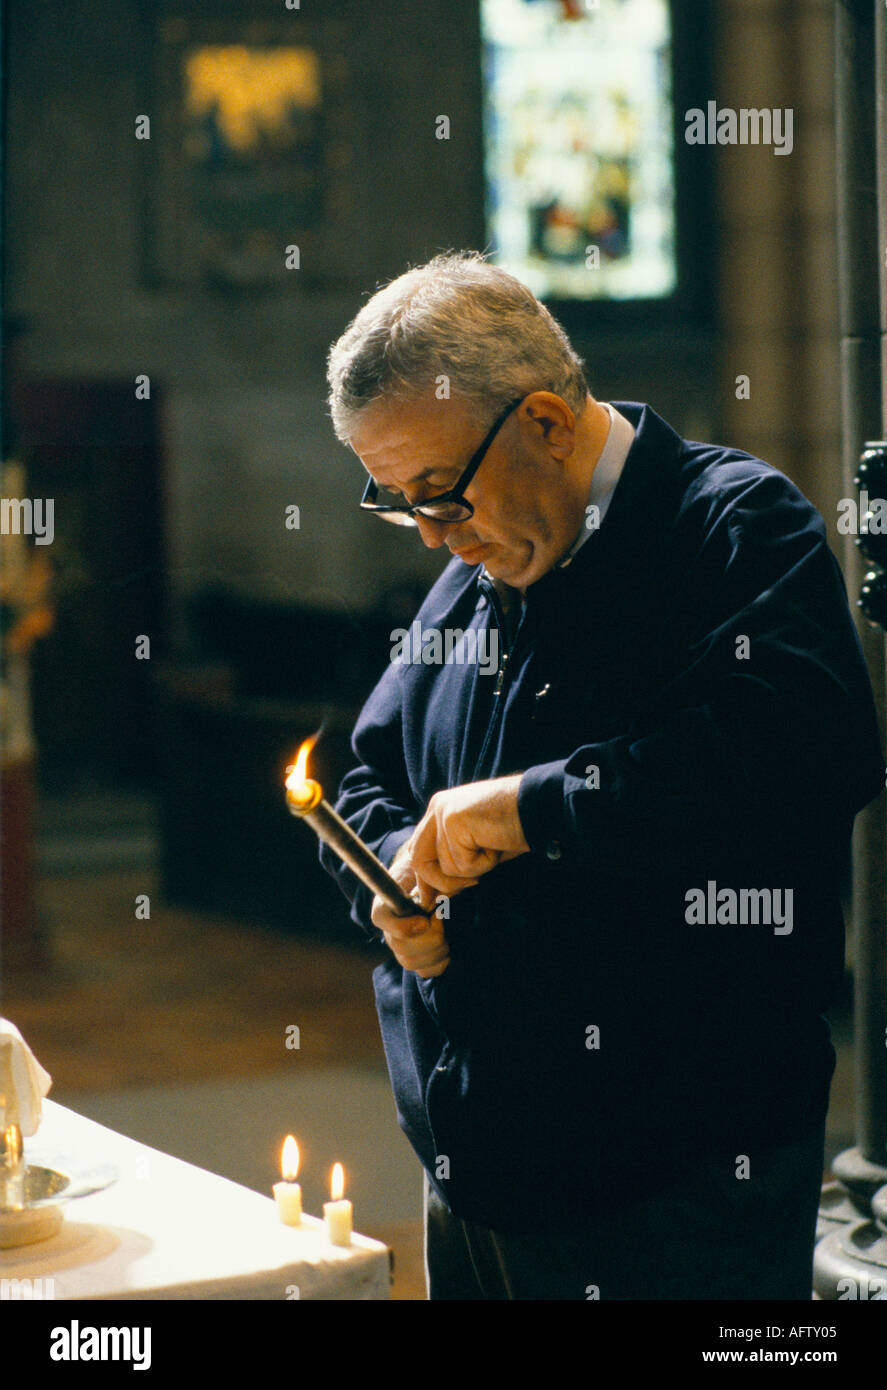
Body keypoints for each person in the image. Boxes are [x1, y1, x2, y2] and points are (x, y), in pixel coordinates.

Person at [320, 251, 884, 1299]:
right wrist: (390, 873)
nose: (436, 538)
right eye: (398, 503)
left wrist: (535, 807)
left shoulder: (729, 526)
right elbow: (366, 776)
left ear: (542, 419)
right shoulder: (472, 574)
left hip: (670, 1190)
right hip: (475, 1175)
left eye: (441, 491)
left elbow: (802, 749)